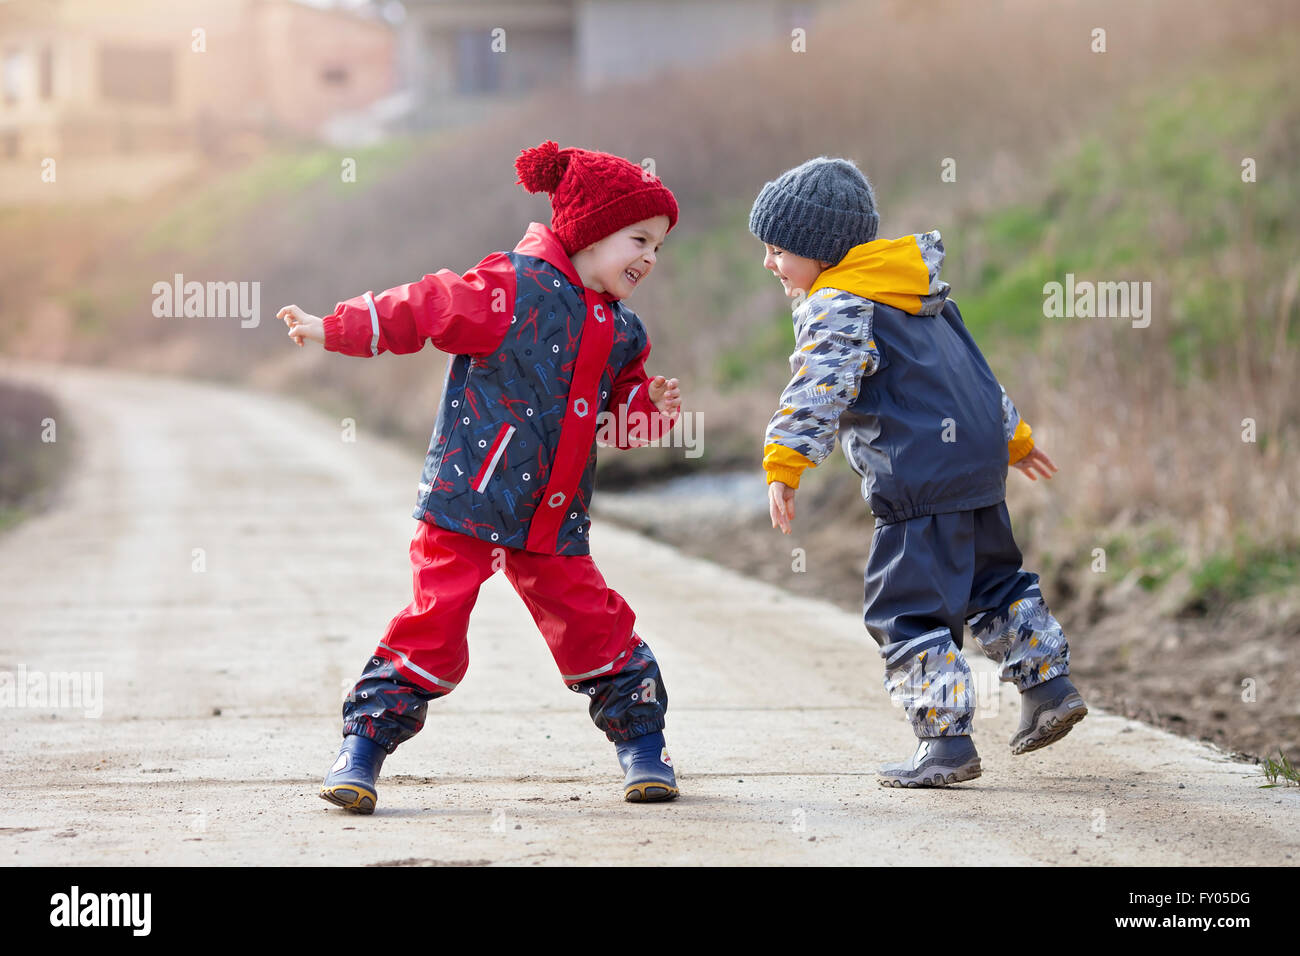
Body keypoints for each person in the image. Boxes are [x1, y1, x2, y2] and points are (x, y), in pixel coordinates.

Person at [277, 140, 683, 811]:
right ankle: (361, 753)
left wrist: (649, 411)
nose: (649, 258)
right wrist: (336, 327)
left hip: (552, 520)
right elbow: (424, 307)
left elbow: (619, 423)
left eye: (659, 248)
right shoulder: (507, 290)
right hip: (465, 502)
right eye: (638, 238)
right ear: (587, 231)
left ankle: (644, 749)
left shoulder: (622, 333)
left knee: (596, 626)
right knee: (432, 627)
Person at [750, 156, 1087, 787]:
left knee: (907, 612)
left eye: (778, 250)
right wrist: (1013, 436)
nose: (769, 263)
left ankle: (945, 747)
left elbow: (819, 386)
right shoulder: (918, 291)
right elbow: (973, 372)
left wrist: (785, 461)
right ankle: (1050, 688)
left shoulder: (838, 303)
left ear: (821, 251)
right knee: (995, 585)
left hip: (916, 478)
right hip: (976, 468)